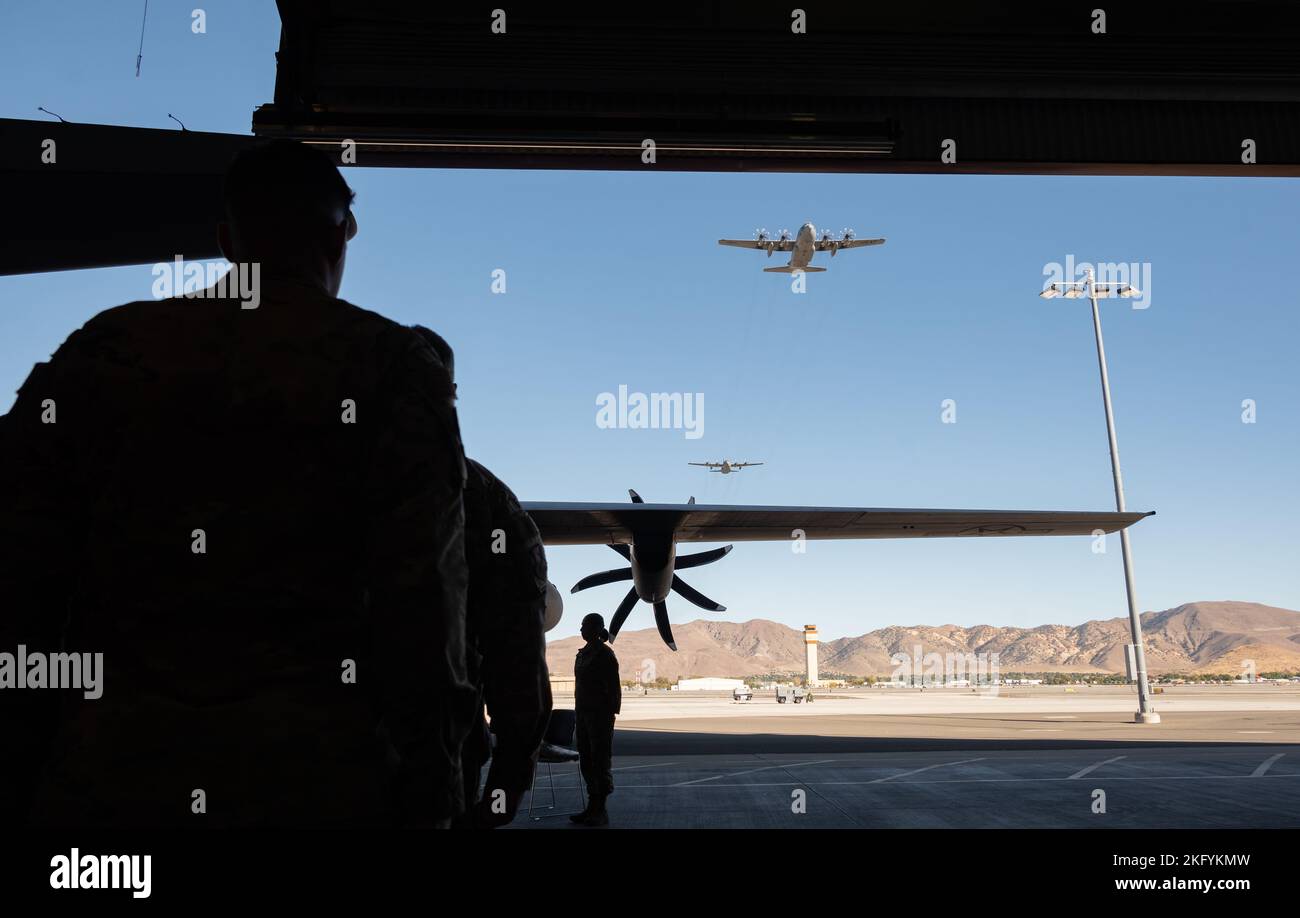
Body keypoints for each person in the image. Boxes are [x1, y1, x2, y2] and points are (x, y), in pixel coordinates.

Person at [0, 140, 476, 827]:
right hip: (318, 777)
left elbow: (19, 569)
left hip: (115, 772)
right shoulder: (392, 364)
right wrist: (435, 785)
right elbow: (424, 596)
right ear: (341, 234)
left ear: (226, 239)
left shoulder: (107, 347)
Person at [571, 612, 621, 826]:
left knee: (600, 761)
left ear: (595, 628)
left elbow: (613, 687)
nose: (581, 629)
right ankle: (592, 805)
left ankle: (600, 809)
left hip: (599, 716)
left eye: (584, 626)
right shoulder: (583, 654)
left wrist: (608, 713)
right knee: (586, 759)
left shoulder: (604, 655)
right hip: (583, 714)